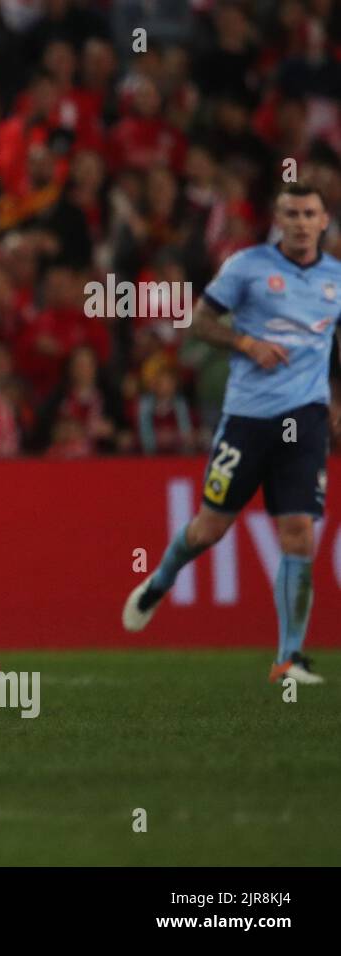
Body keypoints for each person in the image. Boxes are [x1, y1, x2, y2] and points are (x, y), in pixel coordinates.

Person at [123, 184, 341, 684]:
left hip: (304, 419)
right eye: (292, 213)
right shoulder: (246, 267)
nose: (302, 222)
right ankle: (160, 581)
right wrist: (244, 340)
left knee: (299, 532)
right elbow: (199, 322)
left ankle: (288, 659)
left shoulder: (337, 278)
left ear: (324, 220)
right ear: (278, 219)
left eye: (311, 213)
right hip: (246, 419)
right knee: (209, 529)